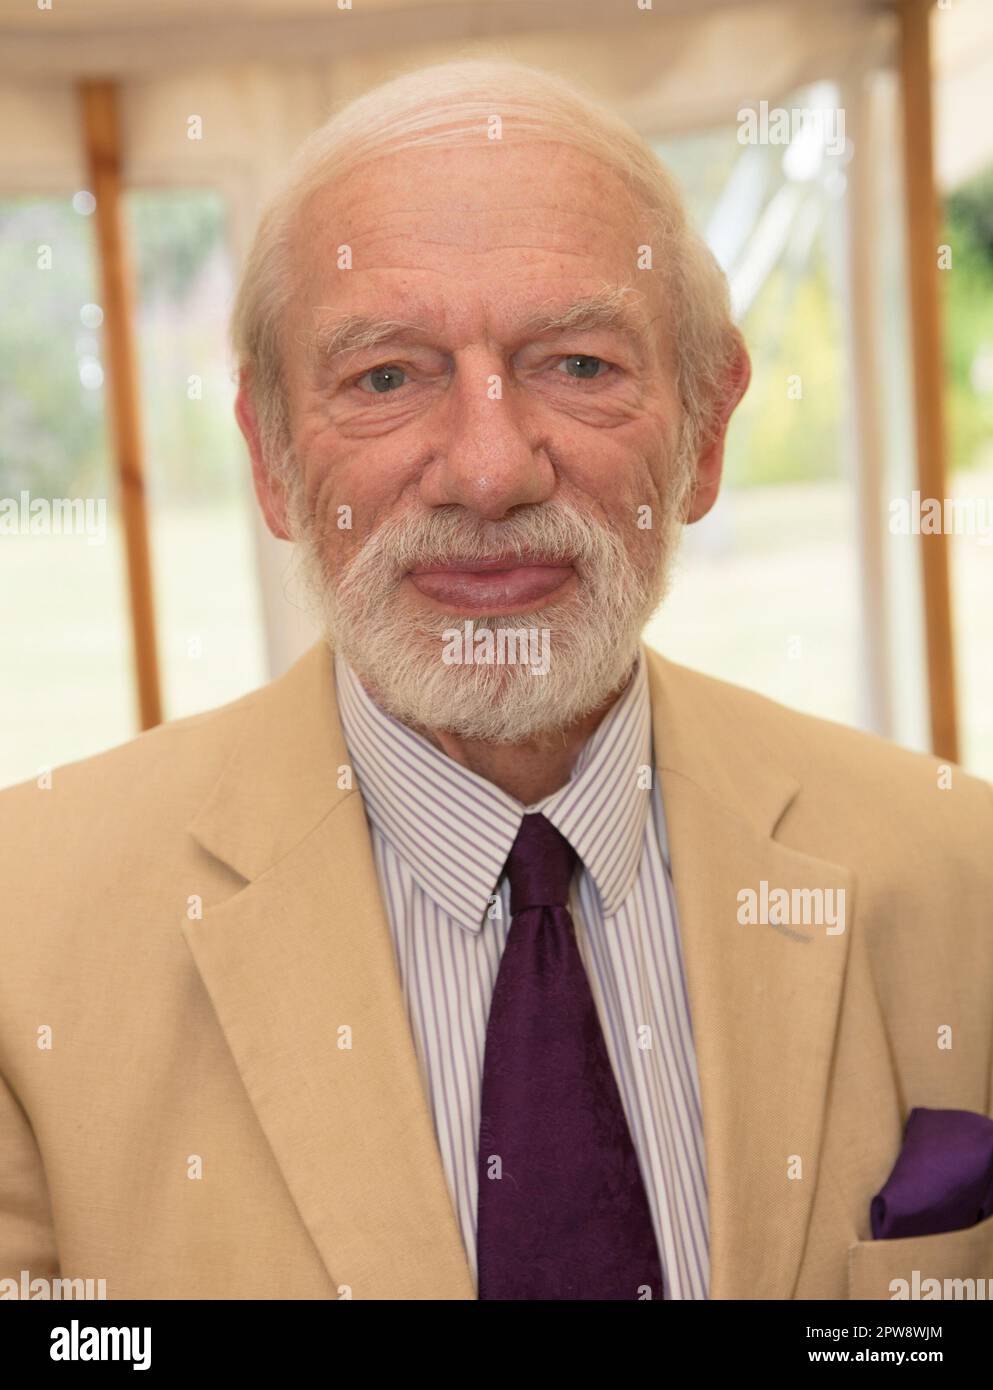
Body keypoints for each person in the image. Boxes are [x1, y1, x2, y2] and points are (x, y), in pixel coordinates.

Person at [2, 59, 992, 1302]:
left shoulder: (968, 877)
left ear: (707, 426)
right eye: (385, 376)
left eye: (576, 363)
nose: (486, 470)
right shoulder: (20, 940)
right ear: (269, 460)